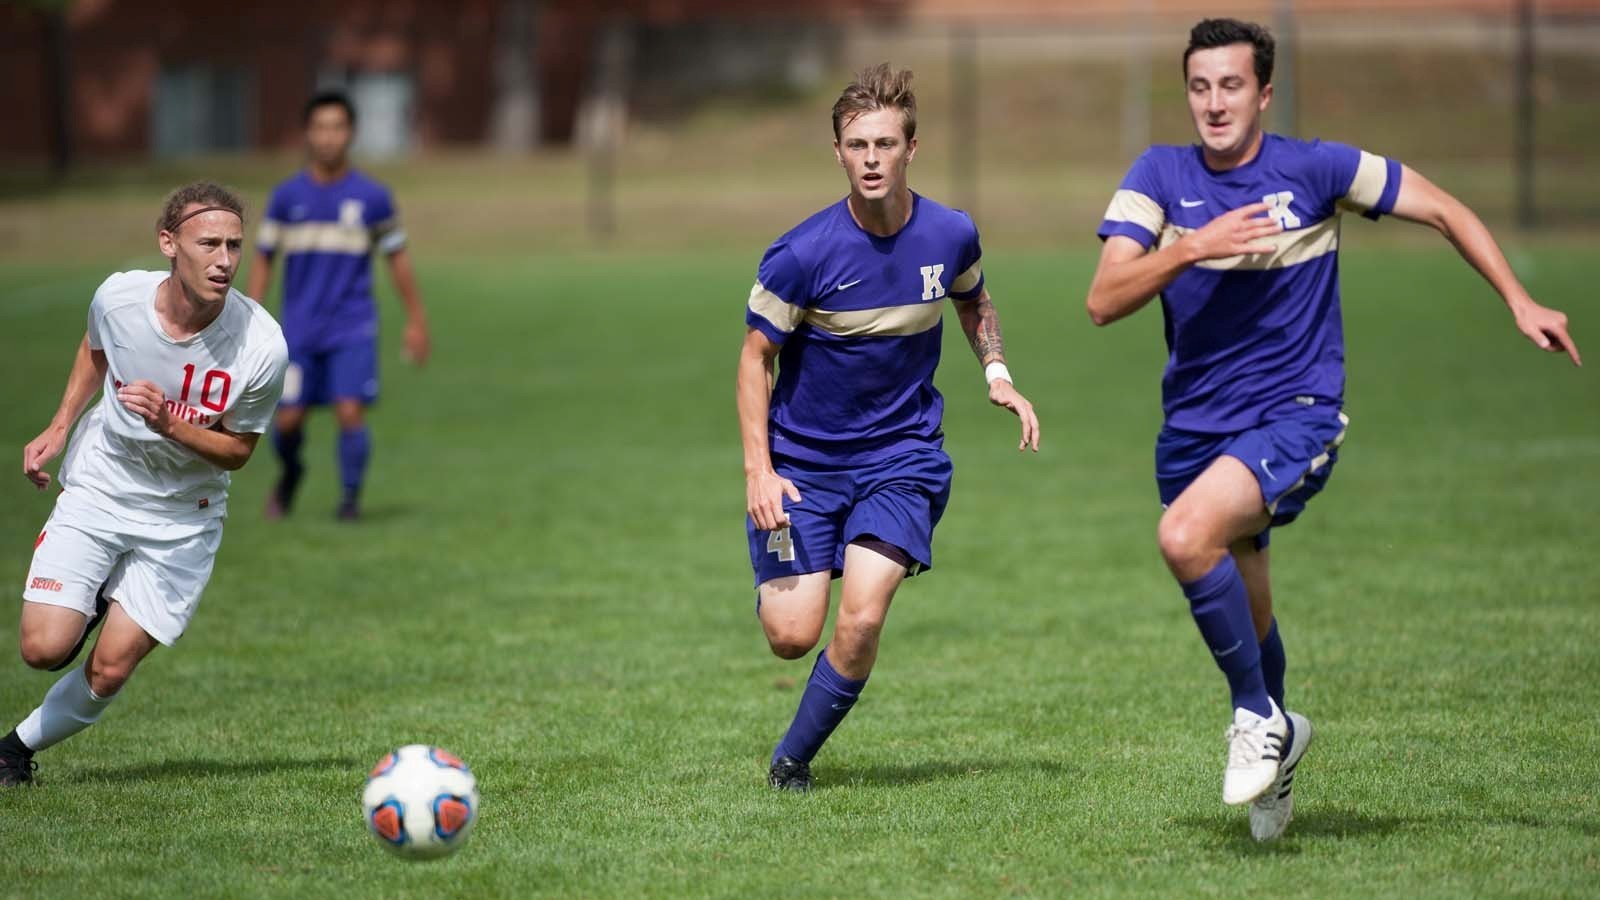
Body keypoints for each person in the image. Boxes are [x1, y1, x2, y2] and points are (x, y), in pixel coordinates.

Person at [1087, 18, 1580, 840]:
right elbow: (1103, 300)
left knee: (1183, 538)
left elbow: (1445, 208)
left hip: (1295, 413)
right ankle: (1279, 746)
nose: (1215, 103)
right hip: (1192, 429)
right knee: (1251, 606)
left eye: (1232, 85)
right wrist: (1191, 246)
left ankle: (1256, 719)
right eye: (1201, 86)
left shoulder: (1317, 168)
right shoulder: (1158, 176)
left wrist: (1519, 299)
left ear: (1265, 93)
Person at [739, 63, 1041, 792]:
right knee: (791, 636)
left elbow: (972, 300)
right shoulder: (800, 255)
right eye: (856, 145)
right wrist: (760, 470)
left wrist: (997, 374)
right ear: (837, 154)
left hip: (901, 458)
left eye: (884, 143)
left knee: (863, 618)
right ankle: (803, 561)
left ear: (912, 148)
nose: (871, 158)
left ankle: (792, 761)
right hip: (803, 466)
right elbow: (755, 361)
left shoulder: (950, 232)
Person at [1, 182, 288, 786]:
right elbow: (98, 345)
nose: (225, 260)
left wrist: (169, 422)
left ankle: (13, 750)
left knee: (107, 671)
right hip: (102, 487)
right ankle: (99, 593)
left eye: (235, 244)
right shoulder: (119, 297)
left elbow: (237, 451)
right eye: (208, 243)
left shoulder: (261, 346)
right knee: (42, 648)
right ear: (169, 243)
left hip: (184, 516)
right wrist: (59, 424)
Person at [249, 89, 431, 521]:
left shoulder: (373, 197)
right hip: (298, 330)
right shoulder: (286, 197)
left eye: (337, 128)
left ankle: (350, 501)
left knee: (350, 410)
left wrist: (416, 319)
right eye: (320, 128)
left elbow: (397, 258)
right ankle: (291, 474)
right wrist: (250, 317)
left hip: (352, 326)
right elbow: (263, 257)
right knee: (289, 420)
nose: (328, 137)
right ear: (308, 134)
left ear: (350, 133)